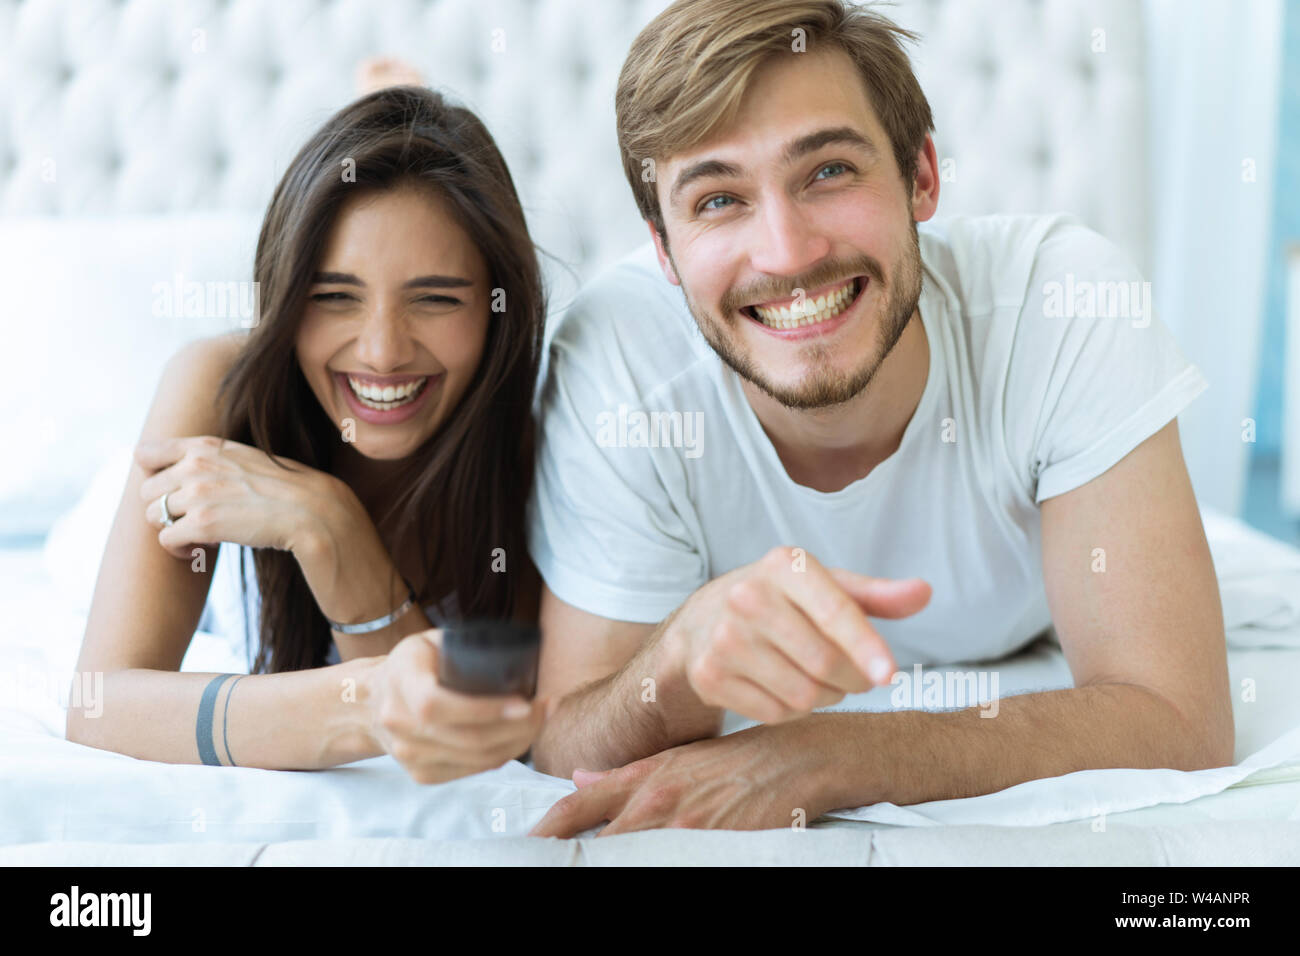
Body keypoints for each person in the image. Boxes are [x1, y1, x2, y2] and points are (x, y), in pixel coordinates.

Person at [527, 0, 1232, 835]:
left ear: (921, 177)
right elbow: (563, 741)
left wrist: (830, 757)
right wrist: (674, 663)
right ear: (663, 248)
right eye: (717, 200)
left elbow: (1177, 719)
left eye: (828, 171)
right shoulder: (619, 361)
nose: (787, 254)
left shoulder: (1063, 302)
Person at [67, 83, 551, 785]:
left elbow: (481, 733)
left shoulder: (535, 444)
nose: (383, 353)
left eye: (436, 298)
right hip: (99, 532)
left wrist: (331, 530)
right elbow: (98, 708)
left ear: (498, 310)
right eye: (334, 297)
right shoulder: (218, 385)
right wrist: (370, 701)